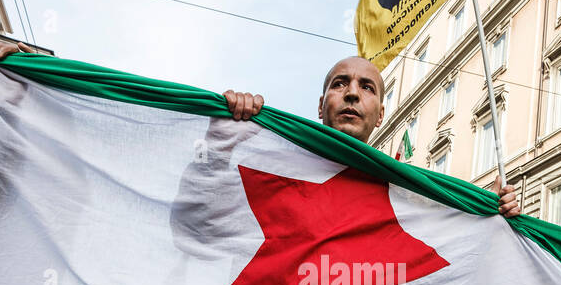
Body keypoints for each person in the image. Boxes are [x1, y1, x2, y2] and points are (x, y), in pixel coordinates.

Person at [223, 56, 521, 217]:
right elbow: (202, 214)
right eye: (340, 84)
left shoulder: (406, 195)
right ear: (320, 105)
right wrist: (224, 136)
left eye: (367, 87)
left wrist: (488, 211)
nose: (352, 93)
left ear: (380, 115)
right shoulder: (271, 164)